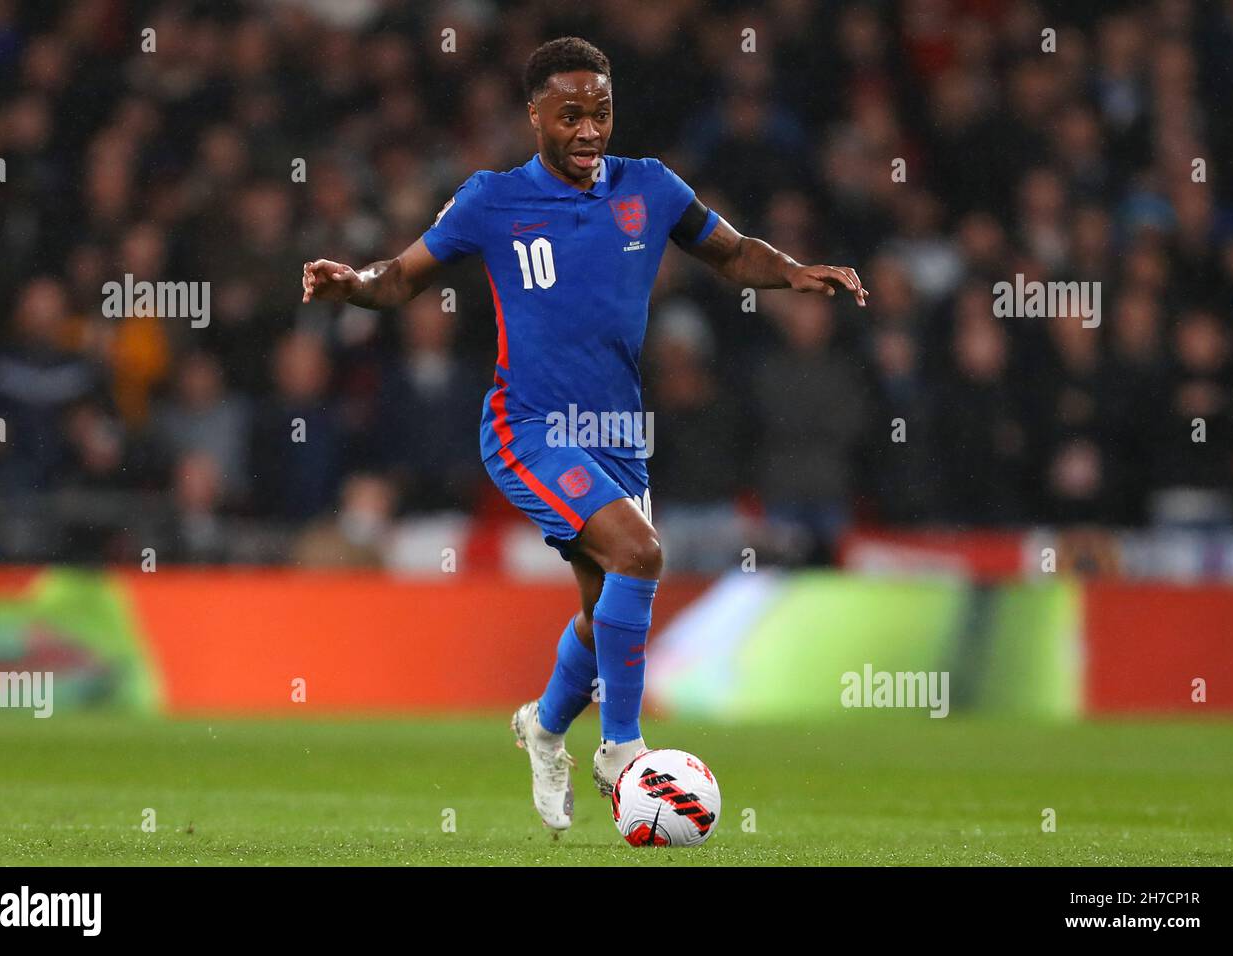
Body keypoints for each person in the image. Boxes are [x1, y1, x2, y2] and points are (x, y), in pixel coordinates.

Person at [301, 37, 867, 832]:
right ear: (535, 116)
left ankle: (543, 726)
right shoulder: (490, 200)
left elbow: (733, 253)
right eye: (570, 115)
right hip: (530, 427)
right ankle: (622, 749)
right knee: (640, 555)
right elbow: (400, 277)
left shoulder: (651, 189)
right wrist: (352, 285)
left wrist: (795, 271)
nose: (589, 130)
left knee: (604, 608)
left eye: (600, 112)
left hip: (615, 433)